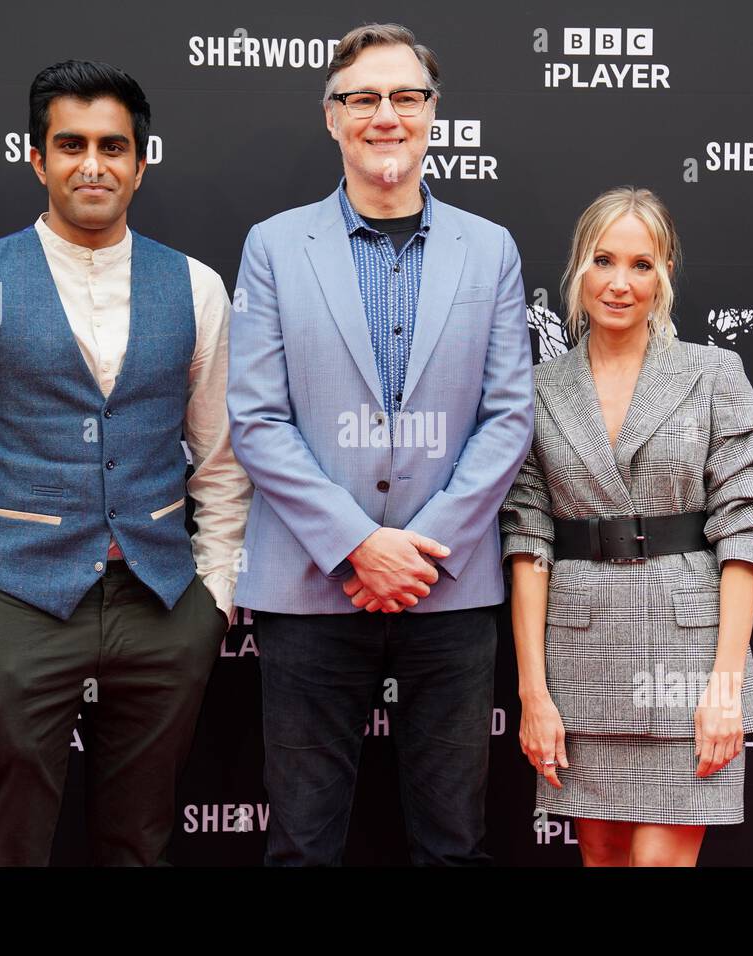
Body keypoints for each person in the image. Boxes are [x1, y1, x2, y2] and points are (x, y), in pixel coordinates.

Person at [0, 60, 250, 865]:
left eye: (113, 146)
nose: (93, 164)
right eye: (71, 144)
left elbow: (222, 460)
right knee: (8, 843)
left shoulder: (196, 288)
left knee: (140, 841)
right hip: (15, 601)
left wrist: (215, 595)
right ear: (37, 158)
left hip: (162, 601)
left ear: (141, 159)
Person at [227, 23, 534, 866]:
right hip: (310, 587)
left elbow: (509, 414)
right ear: (332, 117)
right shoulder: (274, 246)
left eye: (405, 97)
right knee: (301, 844)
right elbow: (255, 417)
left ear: (434, 113)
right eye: (363, 98)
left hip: (451, 587)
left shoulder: (491, 248)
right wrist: (359, 545)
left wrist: (423, 551)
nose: (385, 116)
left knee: (452, 841)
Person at [500, 187, 753, 867]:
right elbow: (527, 543)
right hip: (582, 656)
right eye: (603, 260)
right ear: (578, 270)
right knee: (601, 861)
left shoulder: (714, 375)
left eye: (641, 265)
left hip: (690, 662)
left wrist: (725, 686)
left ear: (665, 277)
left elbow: (744, 532)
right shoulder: (537, 389)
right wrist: (534, 694)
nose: (619, 283)